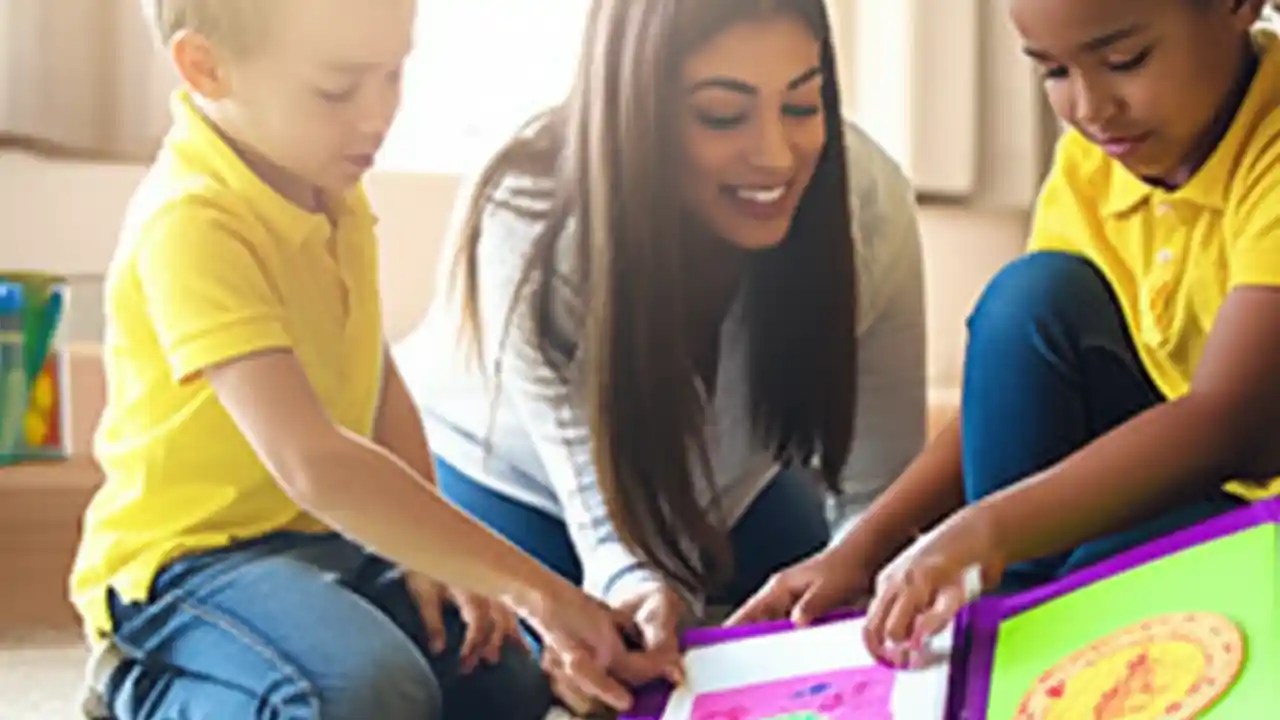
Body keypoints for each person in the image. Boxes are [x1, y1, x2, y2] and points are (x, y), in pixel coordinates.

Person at [70, 1, 649, 718]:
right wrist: (540, 590)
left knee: (503, 681)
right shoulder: (192, 221)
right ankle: (143, 688)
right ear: (206, 68)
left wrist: (431, 554)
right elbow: (313, 461)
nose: (378, 116)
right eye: (337, 89)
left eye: (393, 75)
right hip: (190, 566)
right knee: (368, 693)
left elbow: (374, 382)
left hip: (325, 541)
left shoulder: (329, 188)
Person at [395, 0, 926, 707]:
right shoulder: (529, 217)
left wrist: (861, 574)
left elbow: (875, 489)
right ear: (636, 109)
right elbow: (610, 527)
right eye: (721, 115)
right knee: (506, 679)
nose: (775, 155)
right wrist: (639, 599)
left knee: (809, 620)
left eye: (802, 104)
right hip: (511, 483)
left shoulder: (867, 201)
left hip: (724, 496)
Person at [733, 0, 1280, 669]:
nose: (1089, 107)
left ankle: (1027, 618)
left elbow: (1231, 425)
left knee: (1105, 580)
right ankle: (1006, 618)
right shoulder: (1097, 156)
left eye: (1124, 61)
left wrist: (986, 530)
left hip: (1257, 497)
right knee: (1031, 297)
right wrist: (863, 549)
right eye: (1052, 71)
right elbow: (1010, 394)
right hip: (1176, 473)